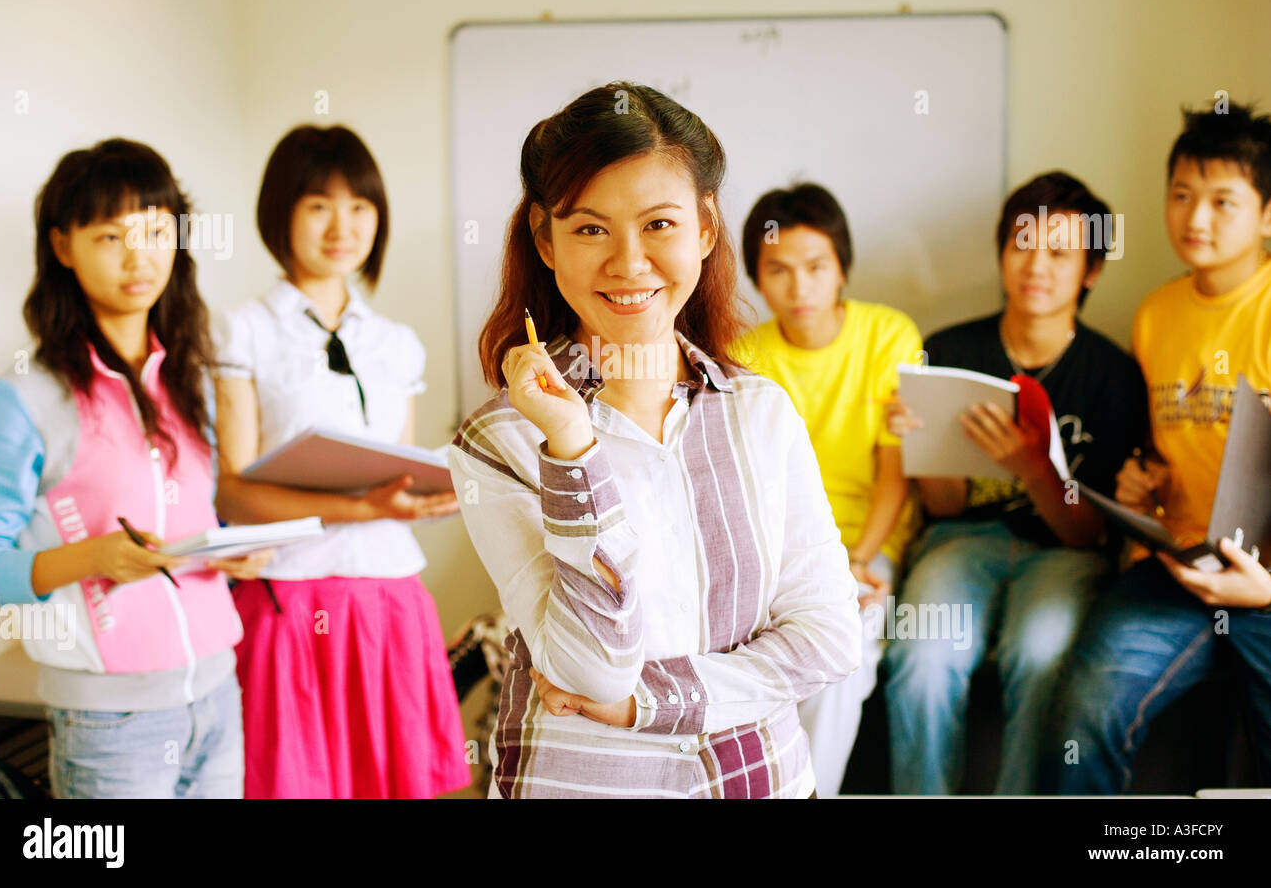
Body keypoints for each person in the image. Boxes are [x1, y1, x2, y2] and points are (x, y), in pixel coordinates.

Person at [448, 82, 862, 799]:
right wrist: (572, 449)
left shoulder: (760, 412)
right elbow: (592, 672)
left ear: (705, 229)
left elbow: (828, 640)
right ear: (545, 241)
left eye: (659, 225)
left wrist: (649, 703)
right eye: (590, 229)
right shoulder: (500, 441)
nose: (629, 262)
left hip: (763, 782)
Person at [0, 139, 271, 798]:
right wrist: (94, 556)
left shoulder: (187, 381)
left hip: (219, 691)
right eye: (110, 235)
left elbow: (188, 523)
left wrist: (225, 552)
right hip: (108, 720)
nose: (139, 256)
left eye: (156, 230)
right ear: (62, 246)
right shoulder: (24, 399)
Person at [212, 125, 470, 798]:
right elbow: (233, 496)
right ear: (282, 213)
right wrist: (362, 507)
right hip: (288, 597)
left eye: (360, 206)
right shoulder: (243, 329)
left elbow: (396, 474)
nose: (342, 226)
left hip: (389, 596)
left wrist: (430, 497)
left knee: (392, 784)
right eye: (319, 205)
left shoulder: (397, 344)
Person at [882, 171, 1148, 794]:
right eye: (1021, 245)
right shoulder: (946, 349)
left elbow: (1088, 538)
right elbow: (944, 507)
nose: (1037, 266)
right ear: (1002, 251)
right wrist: (924, 446)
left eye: (1059, 253)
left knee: (1041, 655)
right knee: (923, 657)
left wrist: (1034, 468)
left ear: (1091, 271)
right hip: (959, 540)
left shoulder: (1112, 376)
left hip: (1062, 555)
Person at [1054, 103, 1271, 794]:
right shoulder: (1156, 312)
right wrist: (1137, 489)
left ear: (1268, 214)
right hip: (1179, 566)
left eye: (1221, 201)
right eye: (1181, 196)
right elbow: (1160, 449)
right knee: (1083, 713)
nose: (1195, 218)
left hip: (1269, 580)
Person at [731, 182, 922, 795]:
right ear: (758, 280)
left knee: (843, 664)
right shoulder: (741, 355)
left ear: (842, 269)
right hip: (777, 551)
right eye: (778, 271)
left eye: (816, 268)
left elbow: (895, 473)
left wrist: (859, 561)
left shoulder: (889, 335)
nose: (799, 287)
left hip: (867, 545)